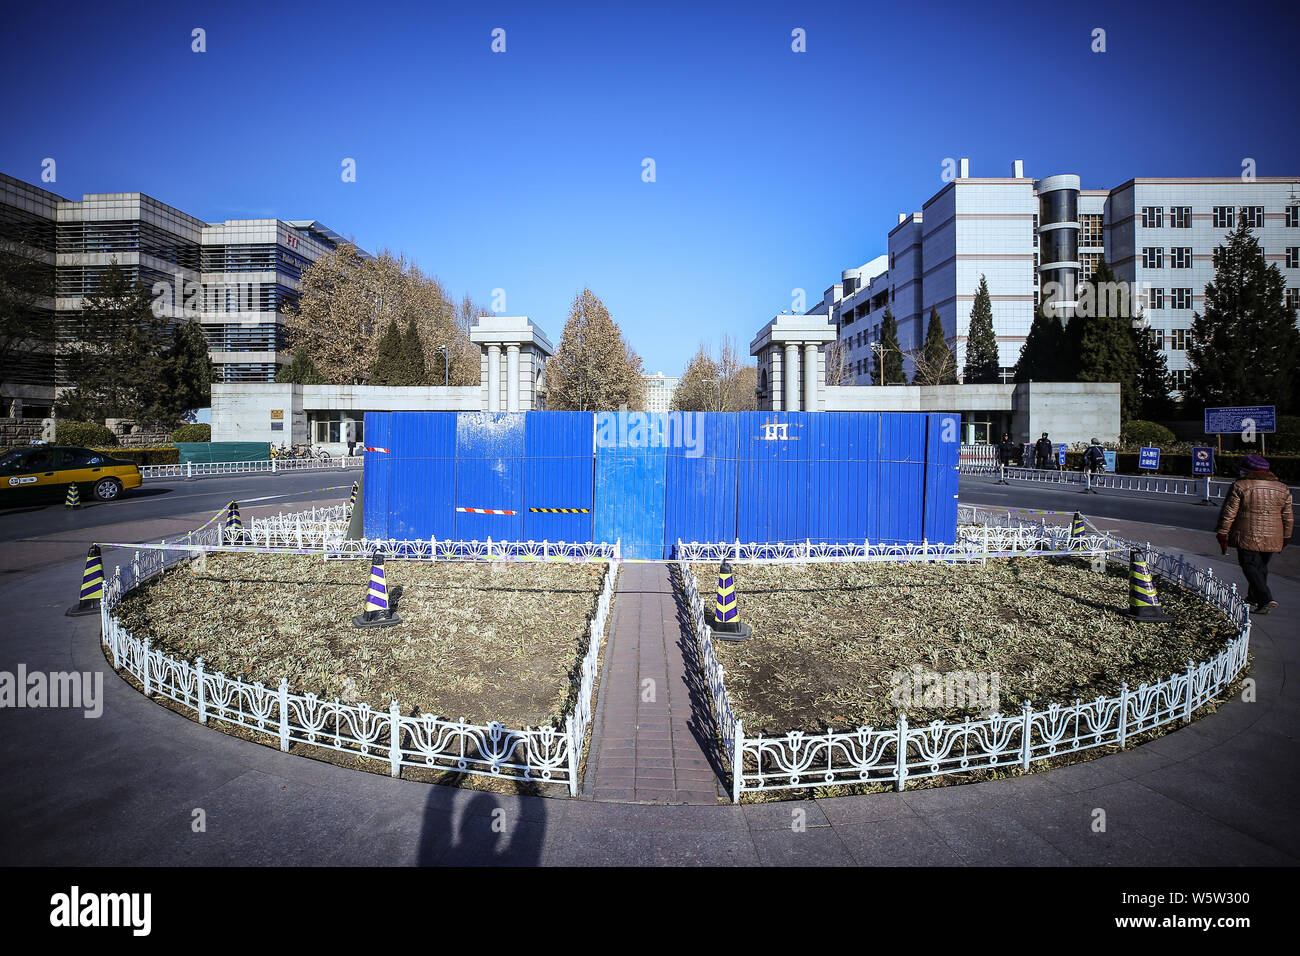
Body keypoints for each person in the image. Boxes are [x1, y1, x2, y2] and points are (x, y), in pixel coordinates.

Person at [1216, 454, 1293, 614]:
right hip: (1274, 535)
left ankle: (1265, 599)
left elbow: (1229, 512)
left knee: (1249, 565)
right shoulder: (1282, 488)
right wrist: (1286, 536)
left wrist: (1223, 532)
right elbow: (1287, 516)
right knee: (1261, 567)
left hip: (1247, 533)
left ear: (1246, 470)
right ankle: (1253, 598)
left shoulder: (1241, 486)